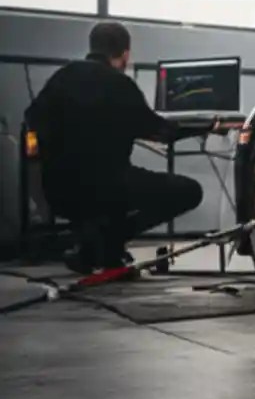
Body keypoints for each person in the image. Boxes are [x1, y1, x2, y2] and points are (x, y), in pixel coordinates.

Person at [25, 21, 216, 272]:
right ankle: (108, 242)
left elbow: (32, 120)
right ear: (125, 54)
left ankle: (93, 246)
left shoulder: (63, 76)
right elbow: (162, 133)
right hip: (107, 188)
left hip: (57, 191)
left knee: (115, 186)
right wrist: (209, 125)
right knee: (189, 191)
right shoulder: (120, 85)